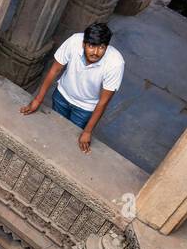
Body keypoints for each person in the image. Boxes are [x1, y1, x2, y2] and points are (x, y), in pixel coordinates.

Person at [19, 22, 124, 154]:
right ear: (83, 44)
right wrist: (38, 100)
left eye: (101, 48)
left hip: (85, 109)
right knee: (54, 127)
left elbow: (103, 102)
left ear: (106, 47)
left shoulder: (115, 63)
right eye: (92, 46)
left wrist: (87, 131)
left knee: (68, 140)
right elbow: (55, 70)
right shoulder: (74, 41)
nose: (96, 52)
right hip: (61, 96)